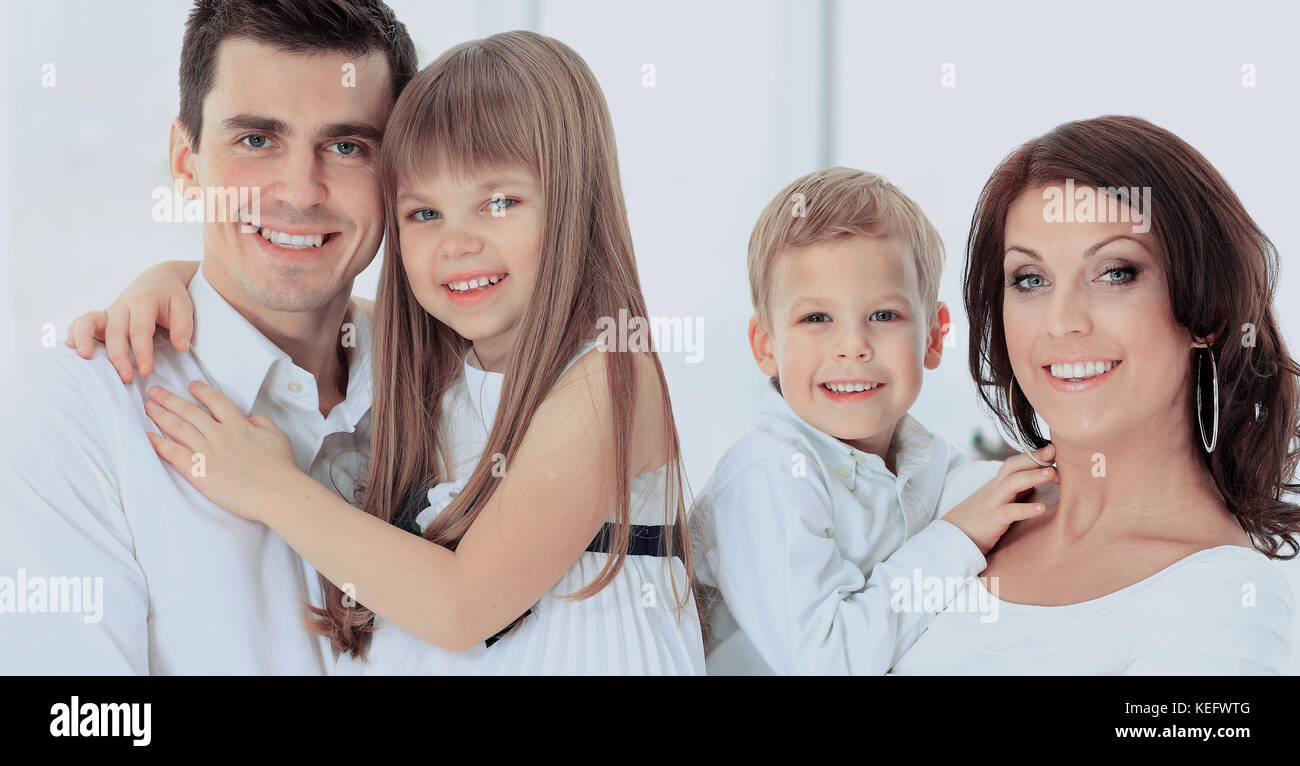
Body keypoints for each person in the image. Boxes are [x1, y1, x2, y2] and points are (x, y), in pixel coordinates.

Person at [102, 31, 705, 674]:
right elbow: (293, 315)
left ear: (576, 202)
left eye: (498, 203)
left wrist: (268, 486)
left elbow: (462, 605)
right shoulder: (439, 365)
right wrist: (172, 282)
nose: (457, 244)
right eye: (423, 214)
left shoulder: (607, 378)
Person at [0, 0, 416, 674]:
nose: (301, 193)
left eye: (347, 146)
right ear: (186, 164)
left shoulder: (457, 391)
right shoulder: (74, 415)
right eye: (257, 140)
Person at [892, 115, 1298, 674]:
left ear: (1210, 311)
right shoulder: (956, 502)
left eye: (1114, 273)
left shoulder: (1224, 605)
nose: (1062, 323)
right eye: (1030, 279)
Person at [690, 167, 1057, 674]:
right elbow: (828, 661)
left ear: (933, 337)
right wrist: (957, 538)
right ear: (766, 345)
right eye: (816, 318)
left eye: (883, 315)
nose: (853, 347)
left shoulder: (930, 462)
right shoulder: (768, 475)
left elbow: (980, 501)